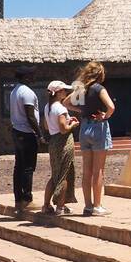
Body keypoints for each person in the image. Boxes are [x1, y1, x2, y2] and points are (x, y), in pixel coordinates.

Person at [73, 61, 116, 216]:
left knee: (86, 170)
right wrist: (105, 116)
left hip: (84, 127)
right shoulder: (99, 88)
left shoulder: (80, 87)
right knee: (98, 170)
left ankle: (88, 205)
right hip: (98, 127)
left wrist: (82, 110)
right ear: (100, 74)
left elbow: (66, 102)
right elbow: (111, 106)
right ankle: (98, 206)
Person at [41, 81, 80, 215]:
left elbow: (47, 126)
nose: (65, 92)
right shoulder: (61, 108)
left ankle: (46, 205)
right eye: (63, 90)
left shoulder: (48, 107)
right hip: (63, 142)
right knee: (64, 175)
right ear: (57, 93)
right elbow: (64, 129)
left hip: (53, 142)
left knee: (56, 174)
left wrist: (66, 121)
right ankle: (60, 206)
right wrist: (73, 125)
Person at [8, 69, 43, 212]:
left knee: (19, 167)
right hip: (26, 132)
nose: (34, 76)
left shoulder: (14, 91)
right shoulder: (27, 92)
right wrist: (39, 134)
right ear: (27, 77)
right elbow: (30, 116)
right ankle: (27, 200)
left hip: (17, 131)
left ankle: (18, 200)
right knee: (28, 167)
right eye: (32, 74)